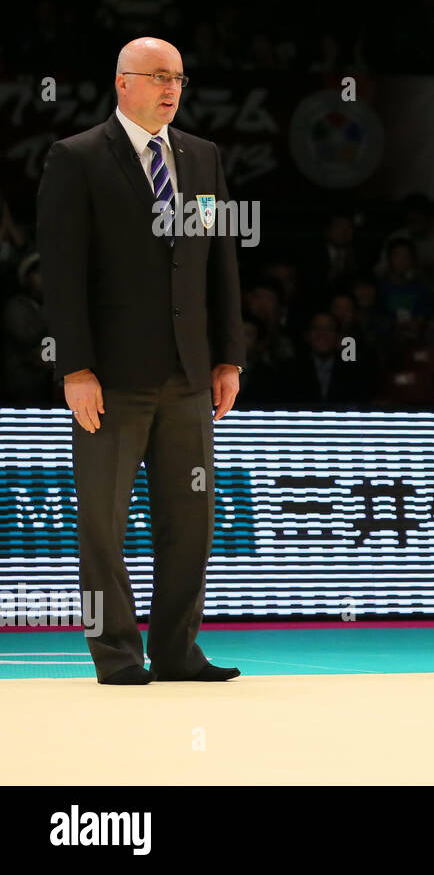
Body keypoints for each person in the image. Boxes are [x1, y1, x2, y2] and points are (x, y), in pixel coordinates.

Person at [36, 36, 245, 684]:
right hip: (112, 377)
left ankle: (179, 651)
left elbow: (221, 263)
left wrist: (228, 358)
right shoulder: (77, 158)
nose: (171, 88)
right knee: (103, 525)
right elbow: (62, 273)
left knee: (190, 522)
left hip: (188, 374)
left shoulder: (202, 157)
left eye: (179, 77)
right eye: (157, 76)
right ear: (122, 82)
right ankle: (118, 655)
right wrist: (75, 368)